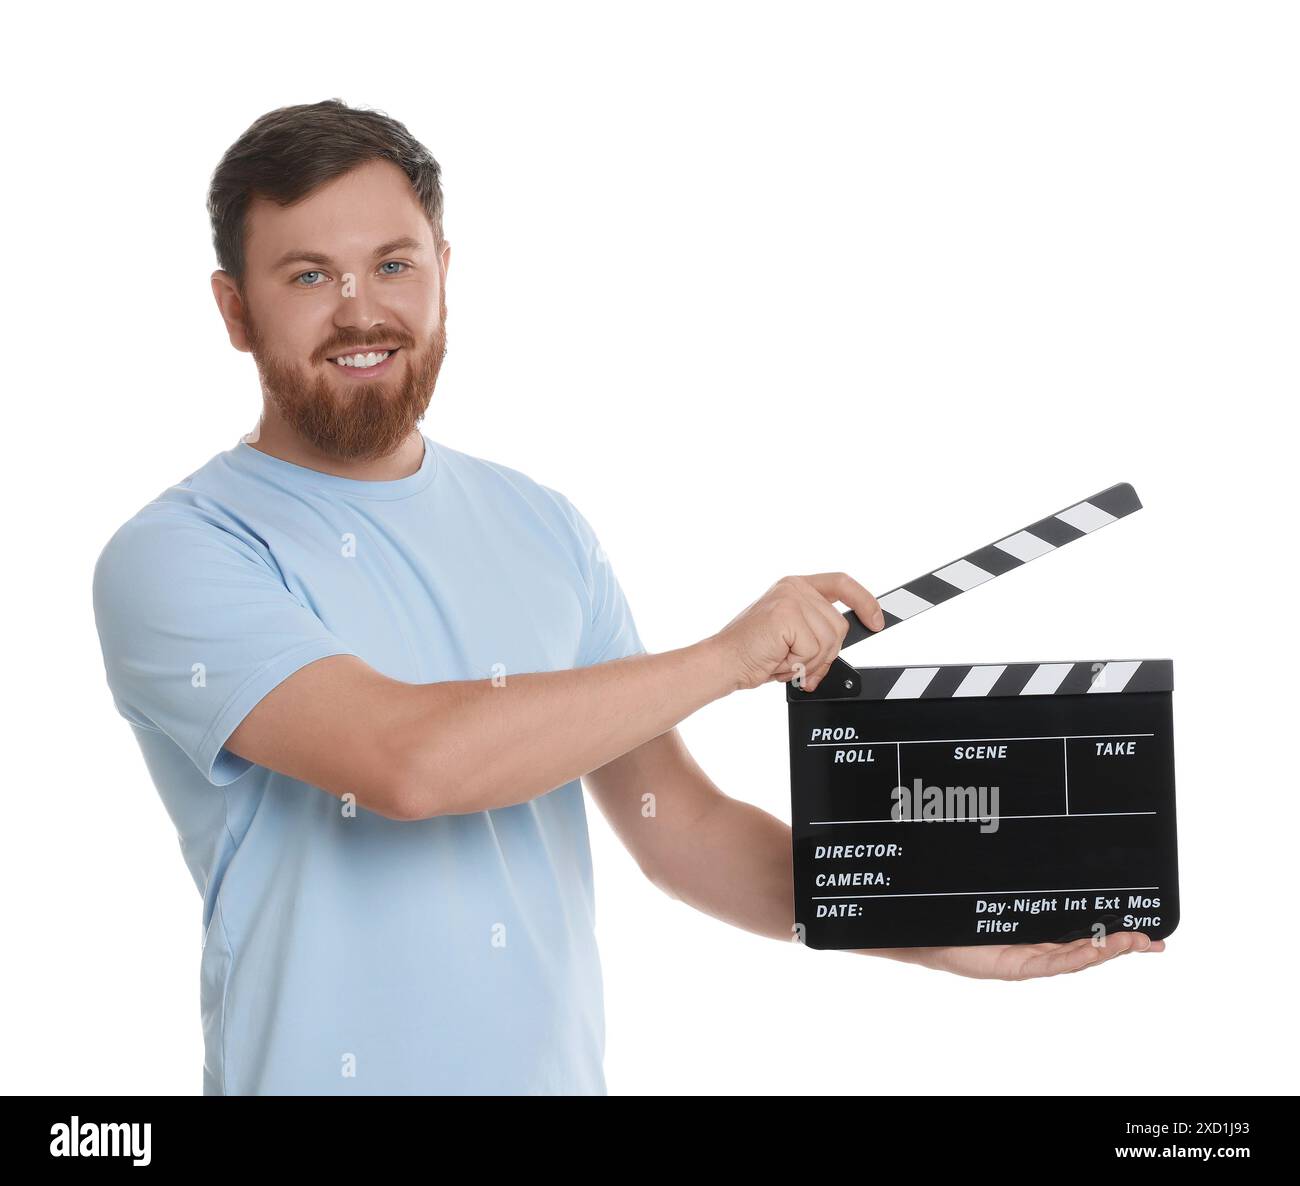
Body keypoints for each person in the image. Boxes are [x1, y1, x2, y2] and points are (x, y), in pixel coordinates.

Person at [91, 99, 1163, 1096]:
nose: (361, 309)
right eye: (309, 276)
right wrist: (724, 657)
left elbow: (677, 826)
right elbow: (408, 763)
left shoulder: (542, 525)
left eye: (393, 263)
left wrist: (933, 923)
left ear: (445, 273)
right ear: (234, 309)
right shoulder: (180, 553)